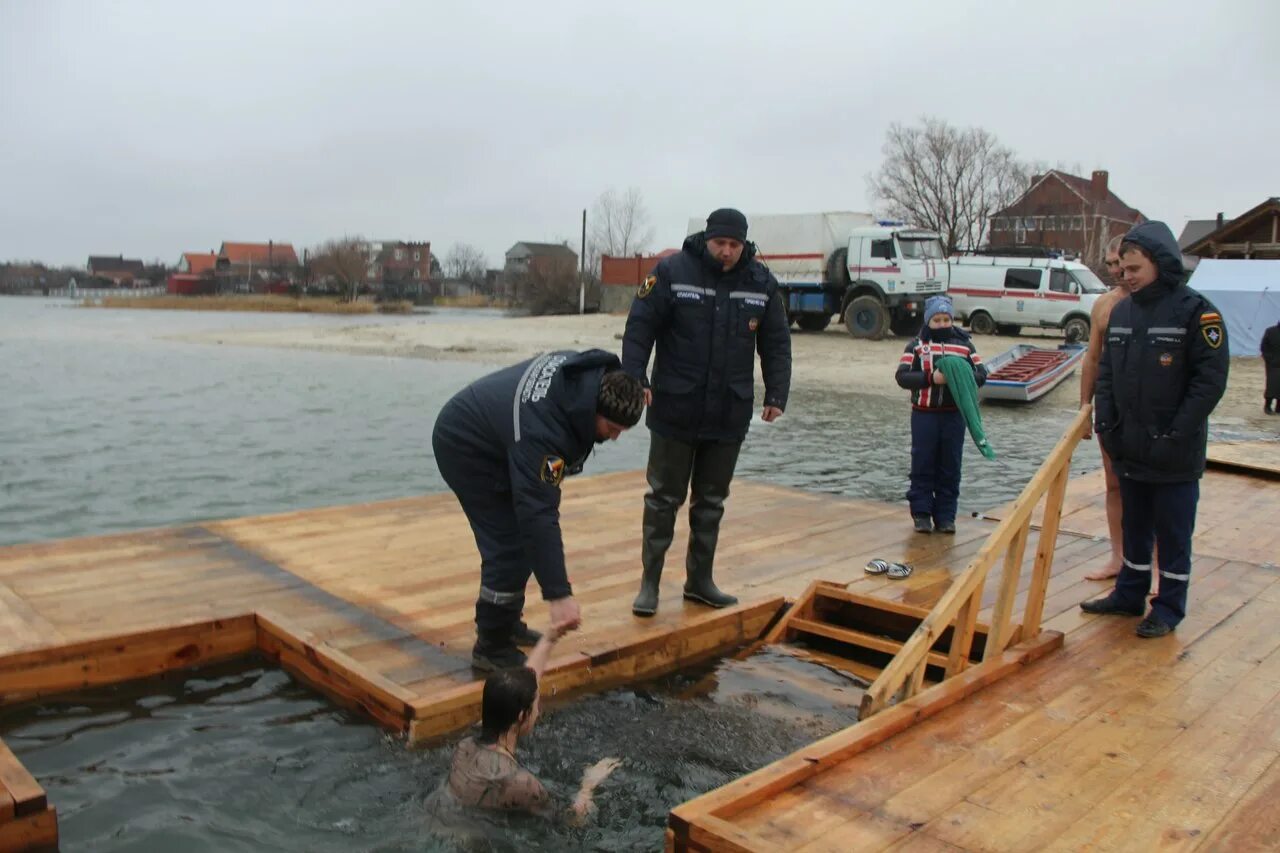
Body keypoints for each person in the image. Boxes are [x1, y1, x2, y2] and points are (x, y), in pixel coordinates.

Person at [622, 208, 792, 617]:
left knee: (711, 501)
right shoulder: (670, 273)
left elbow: (777, 344)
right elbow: (639, 329)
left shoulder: (761, 282)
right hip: (674, 407)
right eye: (721, 244)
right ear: (708, 239)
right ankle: (650, 584)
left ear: (744, 244)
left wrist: (777, 394)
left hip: (728, 412)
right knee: (663, 498)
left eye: (735, 245)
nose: (727, 252)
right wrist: (636, 380)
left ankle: (700, 581)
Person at [433, 350, 645, 670]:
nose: (615, 437)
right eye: (612, 428)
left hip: (499, 432)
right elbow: (538, 515)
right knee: (509, 544)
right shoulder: (545, 433)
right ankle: (491, 645)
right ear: (592, 410)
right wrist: (558, 595)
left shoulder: (587, 377)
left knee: (523, 537)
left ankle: (507, 623)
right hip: (465, 446)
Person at [1082, 221, 1229, 638]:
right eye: (1122, 270)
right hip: (1129, 445)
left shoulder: (1197, 313)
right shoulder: (1122, 312)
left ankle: (1168, 607)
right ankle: (1129, 593)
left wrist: (1177, 433)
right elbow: (1106, 371)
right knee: (1135, 526)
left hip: (1174, 453)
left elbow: (1209, 382)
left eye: (1133, 269)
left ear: (1159, 263)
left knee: (1173, 532)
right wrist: (1105, 421)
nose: (1125, 276)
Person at [424, 622, 622, 830]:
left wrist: (549, 638)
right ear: (522, 716)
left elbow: (521, 684)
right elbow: (570, 824)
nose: (540, 711)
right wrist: (588, 785)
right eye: (536, 705)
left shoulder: (463, 748)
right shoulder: (523, 784)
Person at [896, 295, 988, 534]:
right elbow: (903, 377)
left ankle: (946, 517)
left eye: (946, 319)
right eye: (936, 319)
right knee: (923, 464)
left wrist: (961, 375)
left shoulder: (965, 345)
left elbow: (982, 374)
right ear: (928, 321)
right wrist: (931, 379)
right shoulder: (916, 345)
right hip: (924, 415)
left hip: (954, 416)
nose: (942, 324)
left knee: (950, 466)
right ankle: (922, 514)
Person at [1078, 235, 1131, 580]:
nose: (1115, 271)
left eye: (1119, 264)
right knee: (1114, 485)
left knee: (1147, 489)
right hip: (1110, 407)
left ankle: (1154, 562)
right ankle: (1118, 556)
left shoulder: (1155, 304)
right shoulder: (1104, 305)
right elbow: (1092, 358)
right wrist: (1085, 406)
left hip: (1145, 408)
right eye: (1109, 264)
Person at [1262, 318, 1280, 414]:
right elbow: (1264, 346)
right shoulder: (1271, 331)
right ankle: (1267, 406)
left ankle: (1279, 408)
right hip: (1273, 364)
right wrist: (1269, 359)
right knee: (1272, 386)